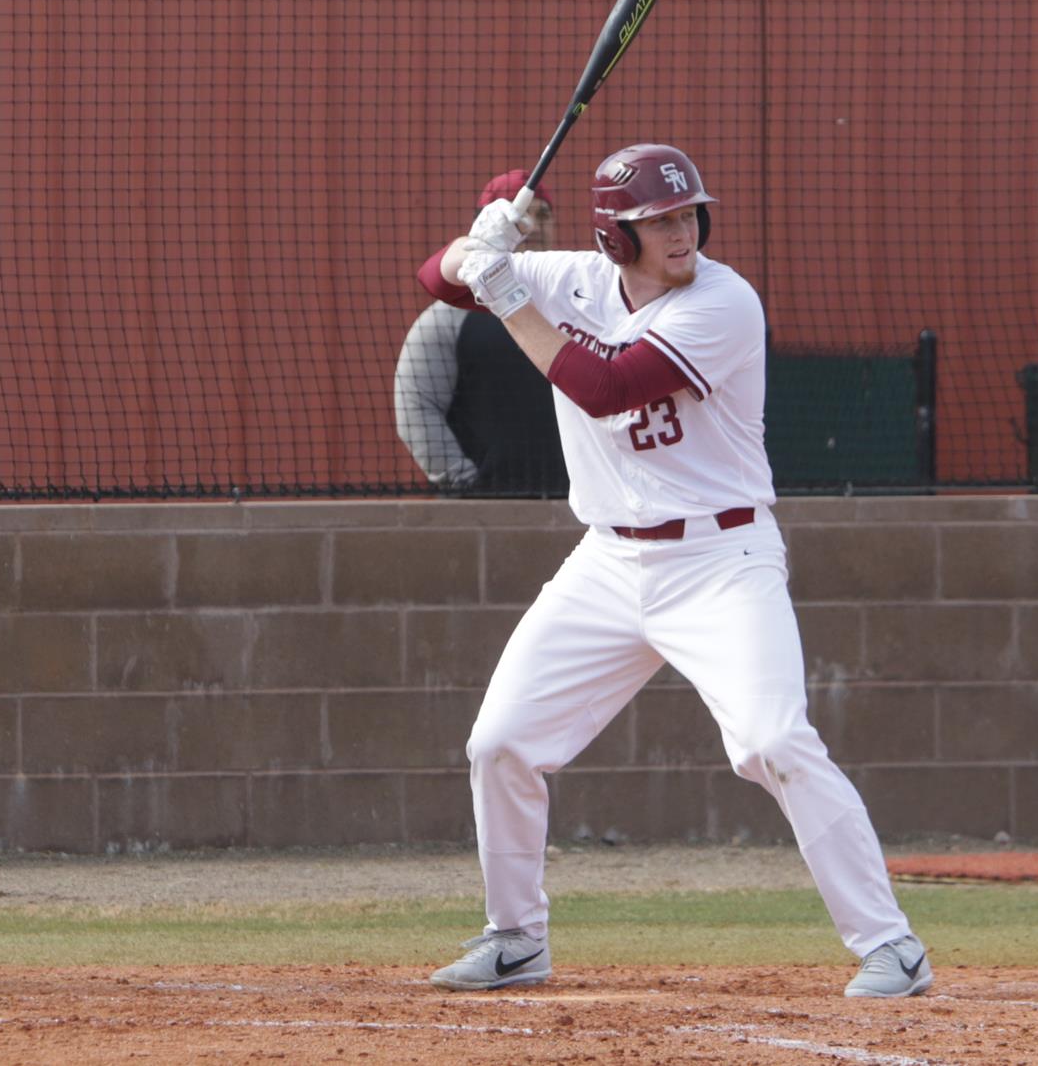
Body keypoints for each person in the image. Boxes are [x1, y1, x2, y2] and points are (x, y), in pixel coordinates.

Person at [412, 144, 931, 998]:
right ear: (615, 236)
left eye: (688, 214)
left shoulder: (724, 302)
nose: (681, 233)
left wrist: (501, 289)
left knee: (773, 741)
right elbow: (434, 279)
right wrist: (478, 247)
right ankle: (516, 937)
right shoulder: (573, 278)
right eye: (658, 222)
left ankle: (892, 944)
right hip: (608, 560)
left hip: (722, 559)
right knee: (499, 742)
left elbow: (606, 386)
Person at [395, 170, 568, 496]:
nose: (532, 226)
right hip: (480, 510)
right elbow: (416, 405)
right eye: (519, 215)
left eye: (543, 215)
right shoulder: (446, 320)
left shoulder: (574, 308)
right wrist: (465, 483)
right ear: (485, 224)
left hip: (579, 507)